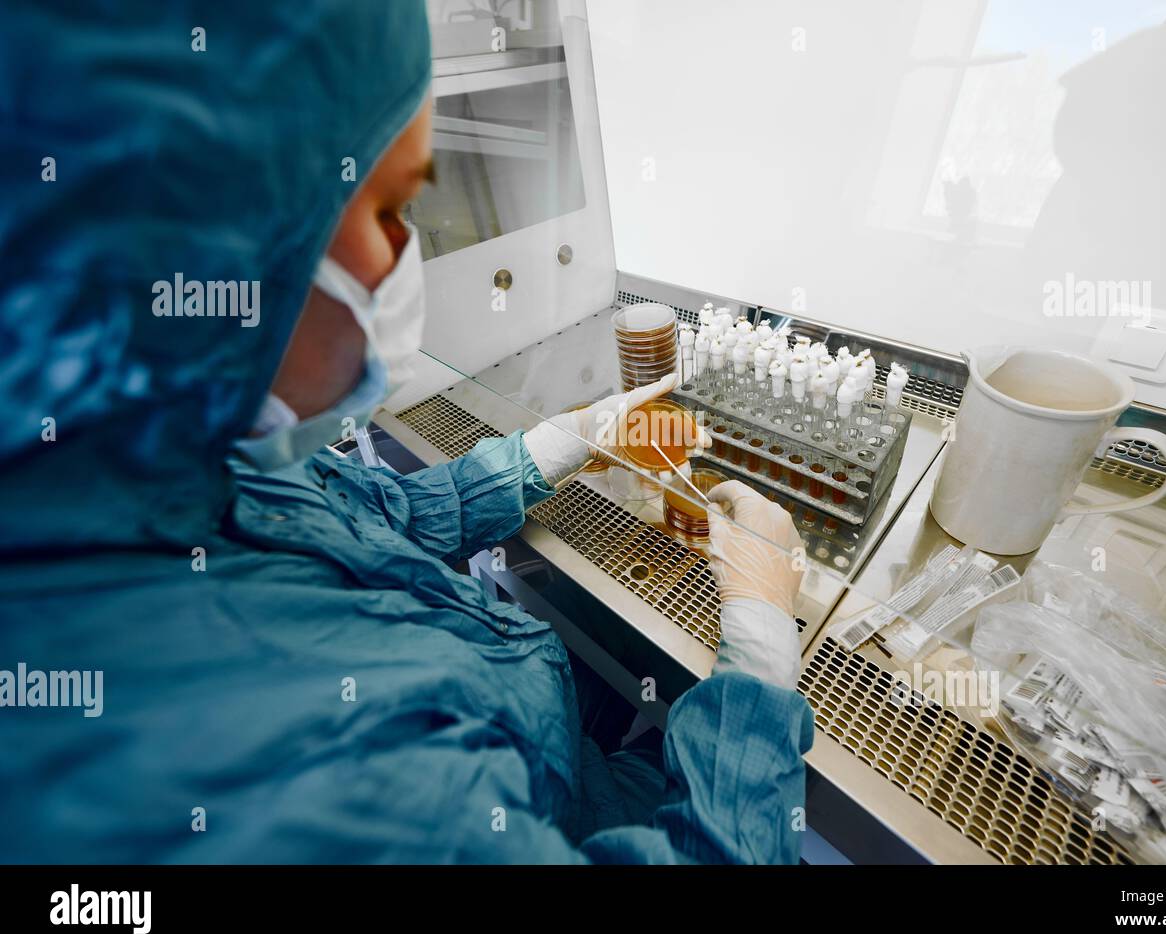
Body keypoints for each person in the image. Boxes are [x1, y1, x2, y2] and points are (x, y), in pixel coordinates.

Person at [0, 1, 812, 863]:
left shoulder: (178, 442)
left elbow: (368, 525)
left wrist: (562, 441)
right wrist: (760, 652)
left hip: (549, 756)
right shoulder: (310, 787)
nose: (407, 251)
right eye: (392, 209)